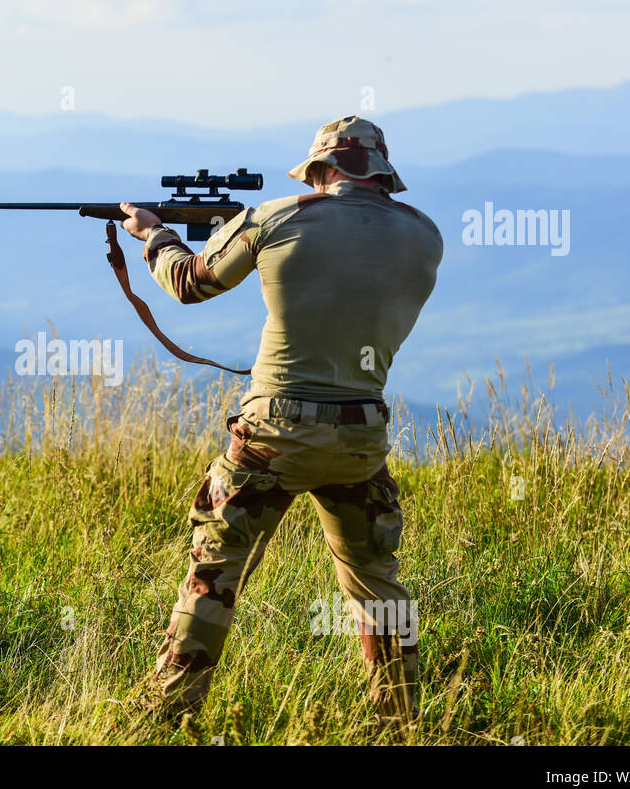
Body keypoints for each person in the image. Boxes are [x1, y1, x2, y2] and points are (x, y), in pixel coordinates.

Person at [117, 116, 442, 728]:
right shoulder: (425, 235)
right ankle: (398, 722)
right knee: (376, 581)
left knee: (215, 570)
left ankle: (162, 718)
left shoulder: (276, 217)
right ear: (381, 173)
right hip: (362, 433)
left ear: (323, 169)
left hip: (274, 431)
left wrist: (156, 234)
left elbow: (188, 284)